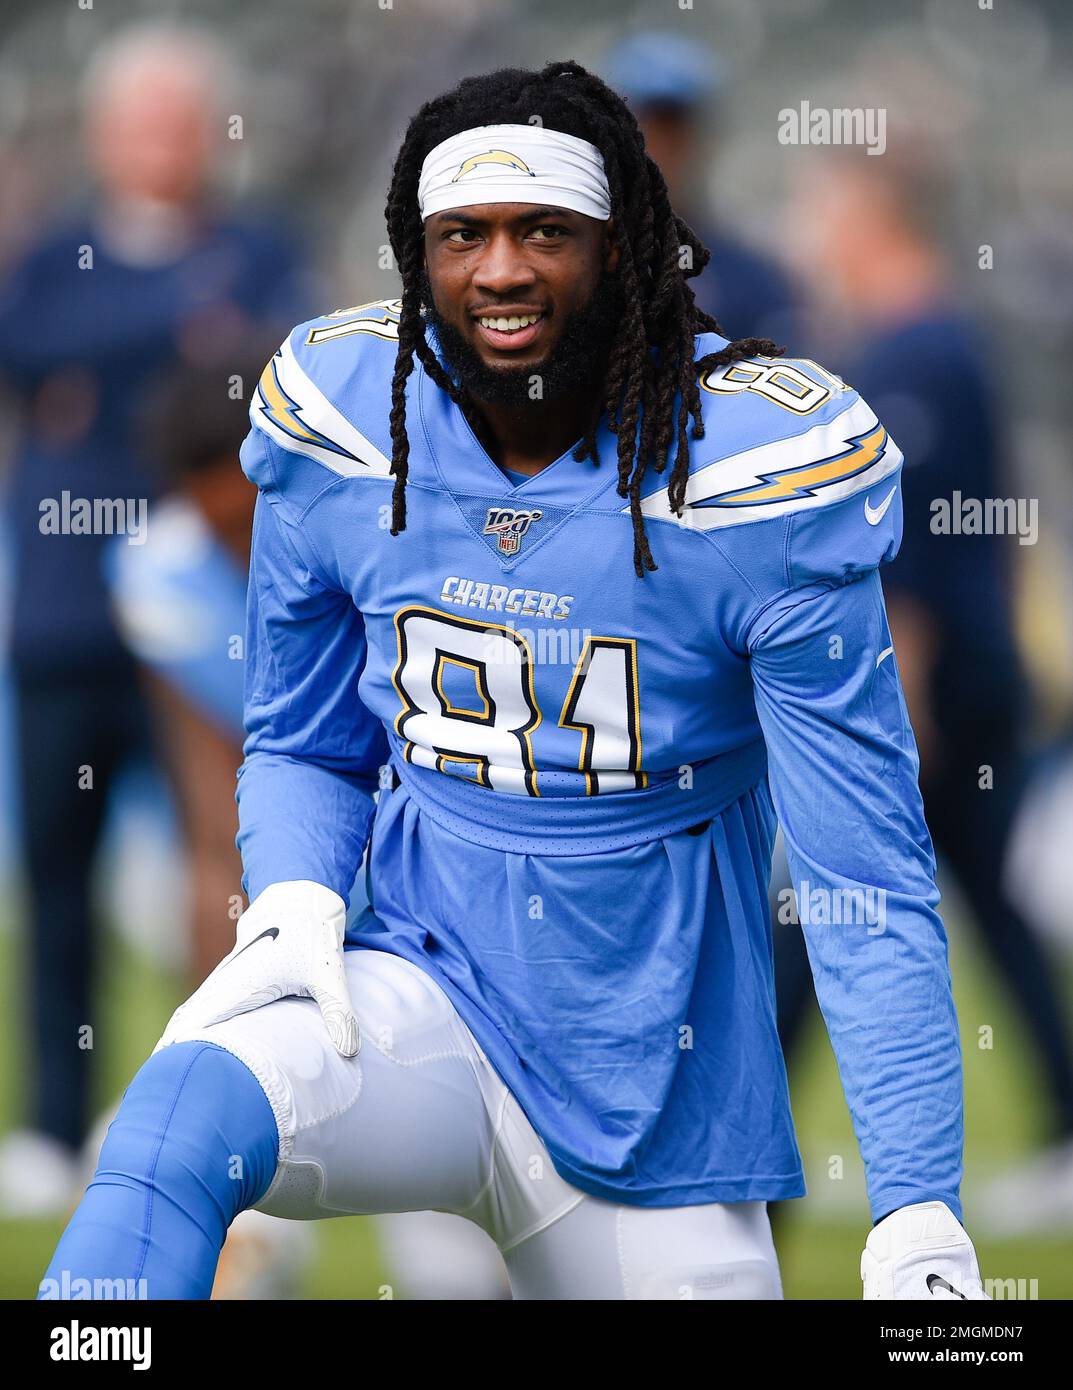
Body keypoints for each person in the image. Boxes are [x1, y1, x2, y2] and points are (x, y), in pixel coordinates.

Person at [42, 60, 988, 1300]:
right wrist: (293, 900)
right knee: (170, 1121)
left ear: (624, 245)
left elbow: (860, 879)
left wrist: (916, 1207)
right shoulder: (342, 424)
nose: (498, 269)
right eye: (462, 234)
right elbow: (307, 740)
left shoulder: (758, 478)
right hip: (415, 994)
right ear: (413, 251)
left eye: (544, 228)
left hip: (652, 1081)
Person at [0, 23, 309, 1212]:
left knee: (223, 862)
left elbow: (267, 364)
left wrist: (126, 375)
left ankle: (228, 1104)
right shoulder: (52, 256)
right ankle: (51, 1125)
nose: (162, 144)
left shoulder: (258, 245)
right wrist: (170, 331)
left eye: (181, 120)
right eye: (142, 121)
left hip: (208, 619)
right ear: (105, 132)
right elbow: (35, 353)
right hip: (70, 617)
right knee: (56, 876)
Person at [773, 148, 1073, 1236]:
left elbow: (898, 563)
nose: (806, 236)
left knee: (824, 911)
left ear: (869, 217)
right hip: (968, 682)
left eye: (818, 213)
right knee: (973, 907)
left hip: (930, 693)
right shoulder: (934, 343)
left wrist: (885, 709)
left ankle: (748, 1153)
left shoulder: (913, 353)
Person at [601, 30, 798, 344]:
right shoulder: (575, 258)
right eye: (642, 129)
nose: (658, 149)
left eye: (674, 132)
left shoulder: (752, 279)